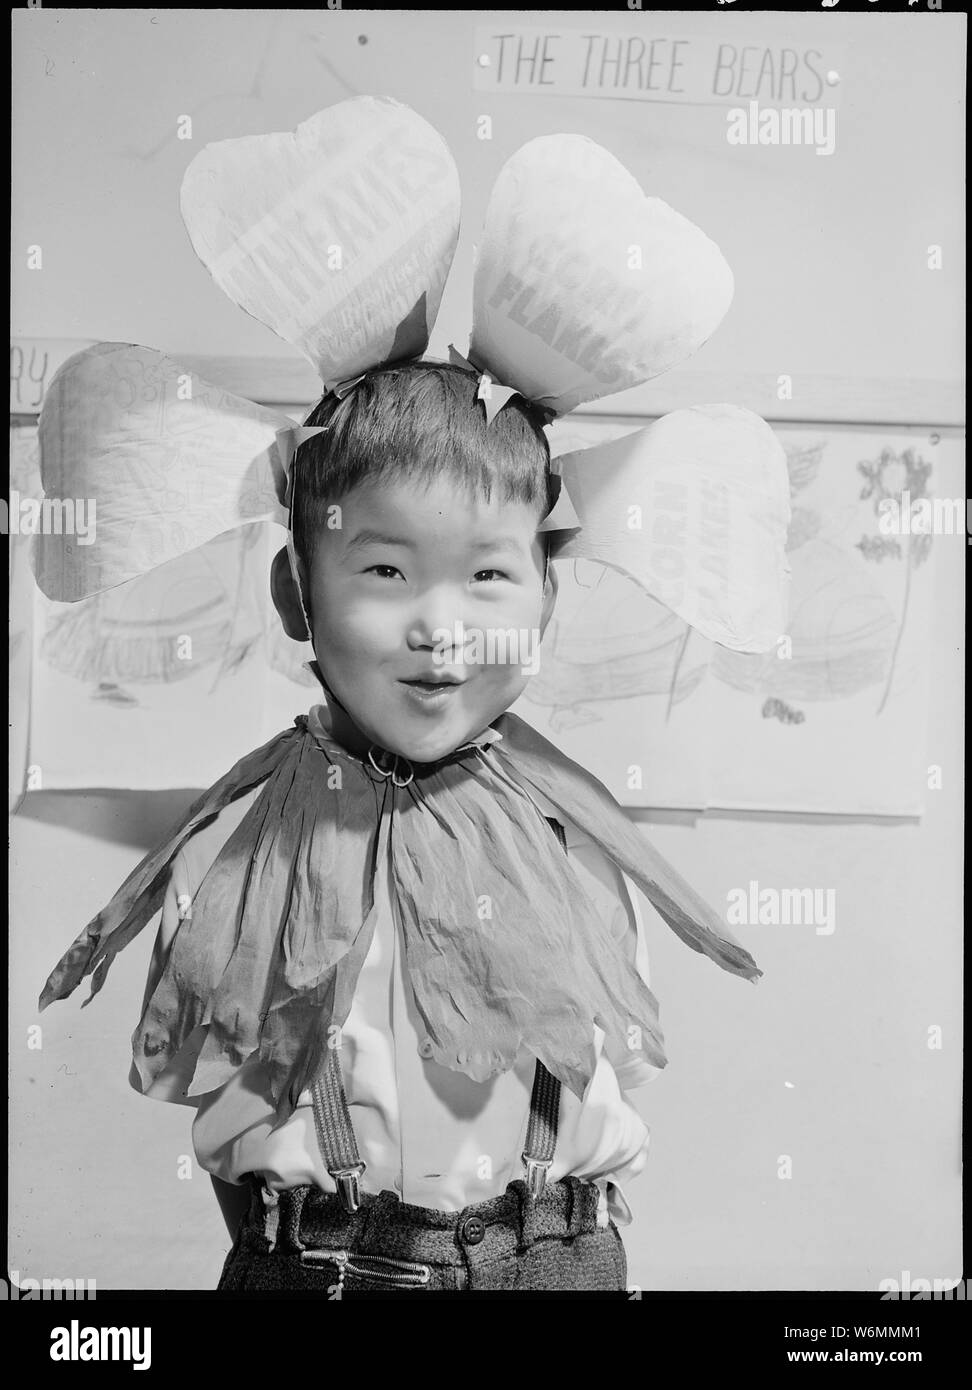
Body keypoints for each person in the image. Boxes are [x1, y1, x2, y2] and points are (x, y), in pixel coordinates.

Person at [34, 96, 790, 1293]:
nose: (441, 627)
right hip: (313, 1269)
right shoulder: (233, 858)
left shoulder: (576, 853)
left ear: (547, 601)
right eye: (384, 570)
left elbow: (608, 1067)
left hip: (561, 1260)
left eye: (489, 573)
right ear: (298, 593)